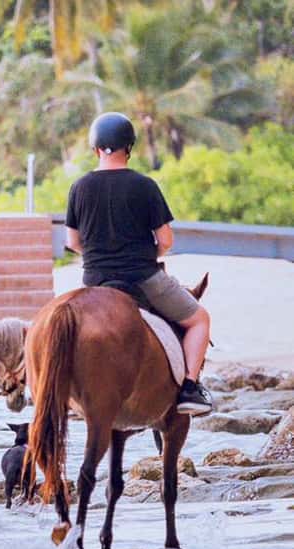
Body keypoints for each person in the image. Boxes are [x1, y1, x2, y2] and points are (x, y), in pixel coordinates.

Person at [65, 112, 213, 415]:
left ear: (95, 149)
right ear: (129, 148)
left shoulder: (79, 187)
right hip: (142, 277)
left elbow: (72, 243)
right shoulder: (145, 185)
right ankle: (189, 388)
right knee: (199, 319)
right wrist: (152, 253)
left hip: (93, 281)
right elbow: (167, 240)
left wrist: (97, 258)